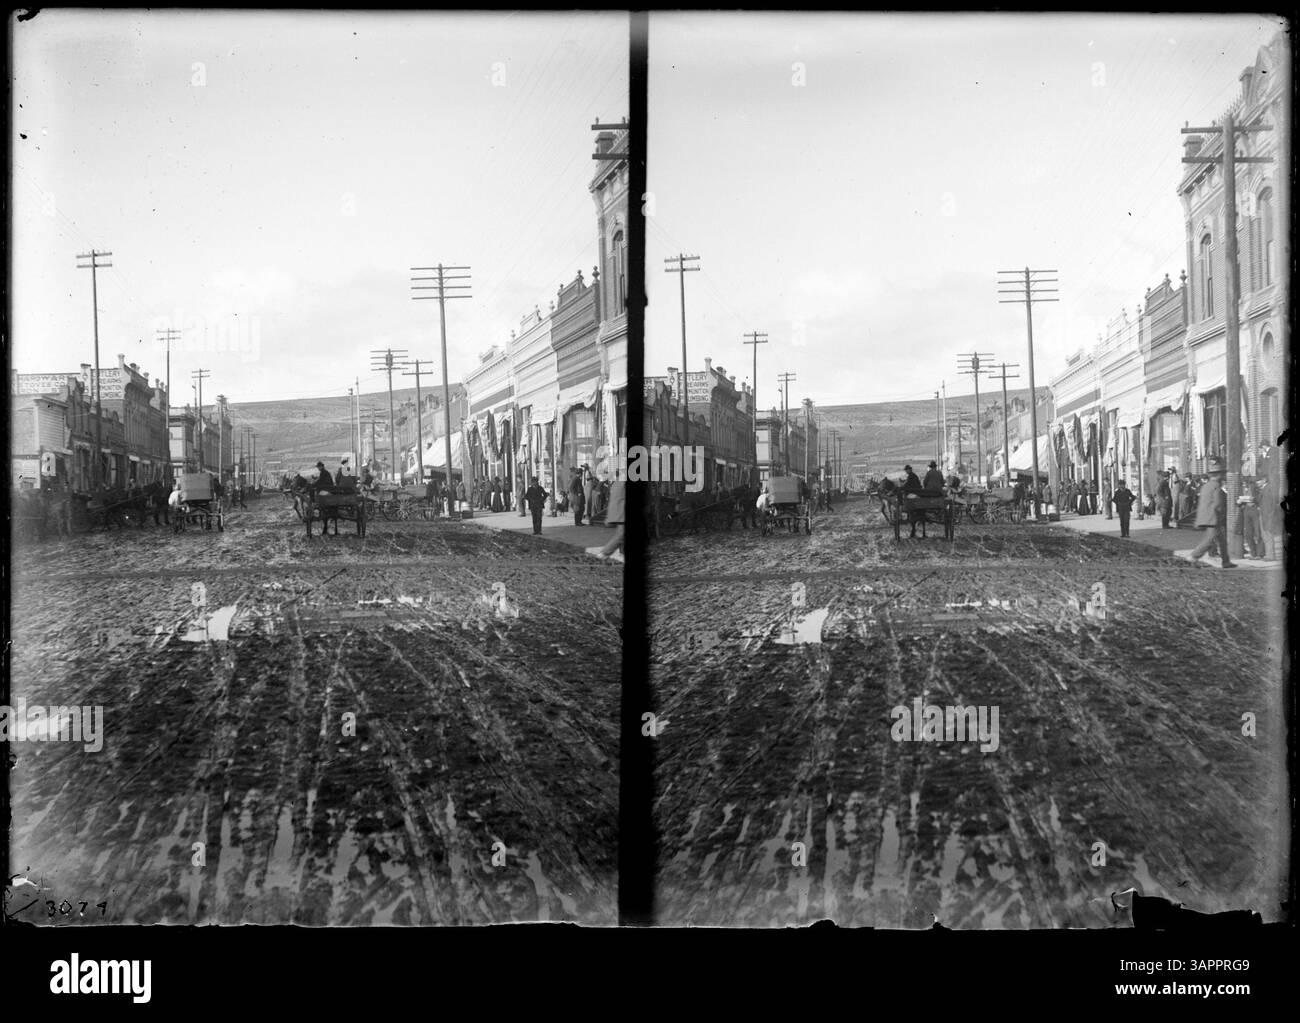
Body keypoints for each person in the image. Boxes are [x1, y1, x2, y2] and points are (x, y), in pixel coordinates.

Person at [1188, 459, 1234, 568]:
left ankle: (1226, 561)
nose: (1224, 475)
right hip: (1213, 518)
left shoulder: (1206, 486)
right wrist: (1223, 516)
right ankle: (1193, 556)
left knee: (1222, 540)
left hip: (1206, 516)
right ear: (1218, 475)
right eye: (1222, 473)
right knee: (1210, 539)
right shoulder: (1216, 487)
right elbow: (1218, 504)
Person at [587, 478, 626, 562]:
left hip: (617, 510)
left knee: (622, 533)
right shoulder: (622, 482)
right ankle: (604, 553)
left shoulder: (617, 482)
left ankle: (622, 554)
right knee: (621, 534)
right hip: (621, 511)